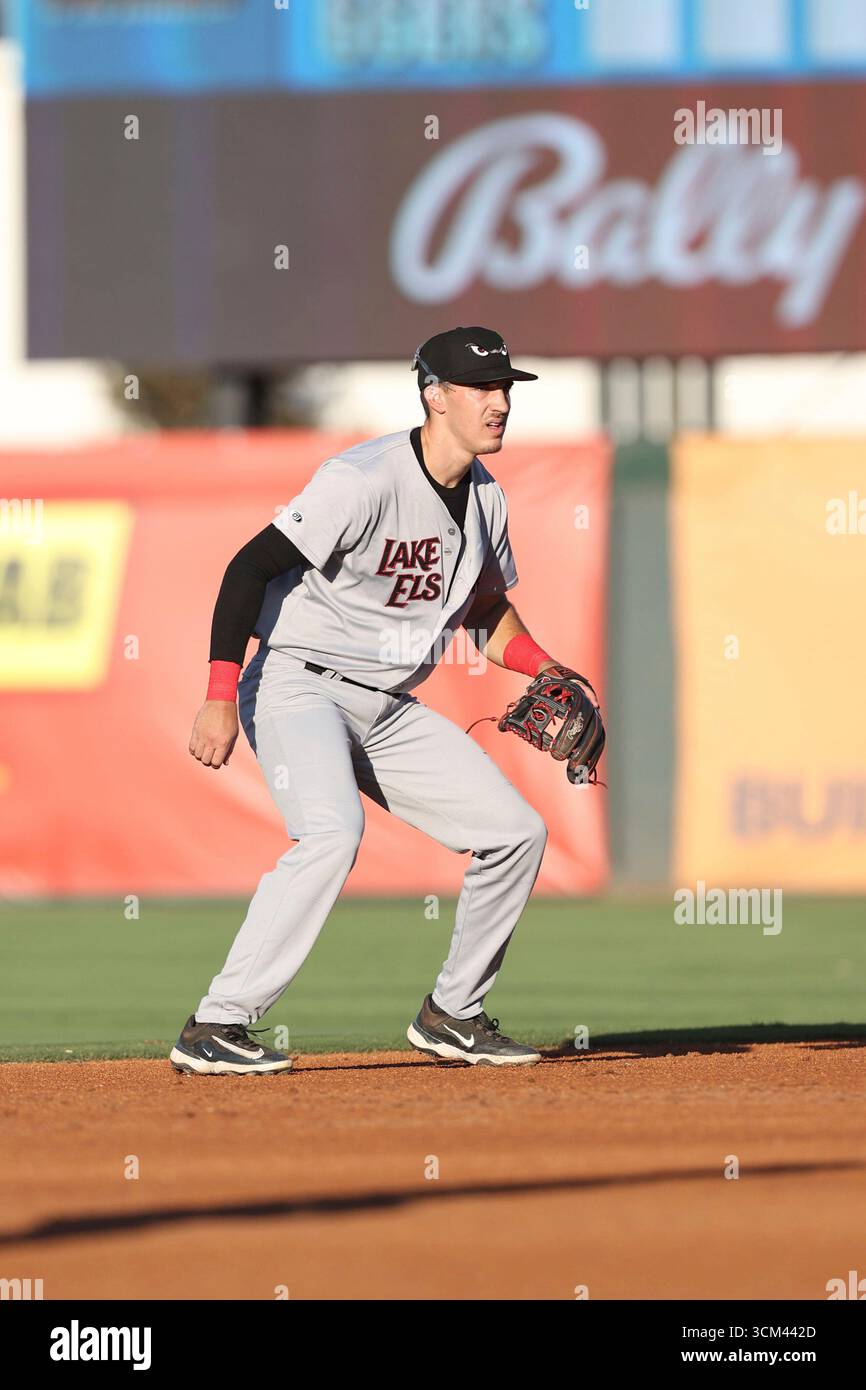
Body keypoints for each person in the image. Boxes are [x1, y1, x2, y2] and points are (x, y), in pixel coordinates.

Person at [169, 327, 580, 1075]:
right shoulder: (363, 478)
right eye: (481, 388)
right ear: (435, 396)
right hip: (298, 681)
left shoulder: (487, 501)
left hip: (387, 706)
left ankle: (453, 1013)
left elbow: (485, 610)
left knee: (516, 832)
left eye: (505, 388)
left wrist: (545, 667)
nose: (499, 402)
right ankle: (217, 1023)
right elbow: (248, 568)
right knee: (331, 832)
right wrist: (219, 695)